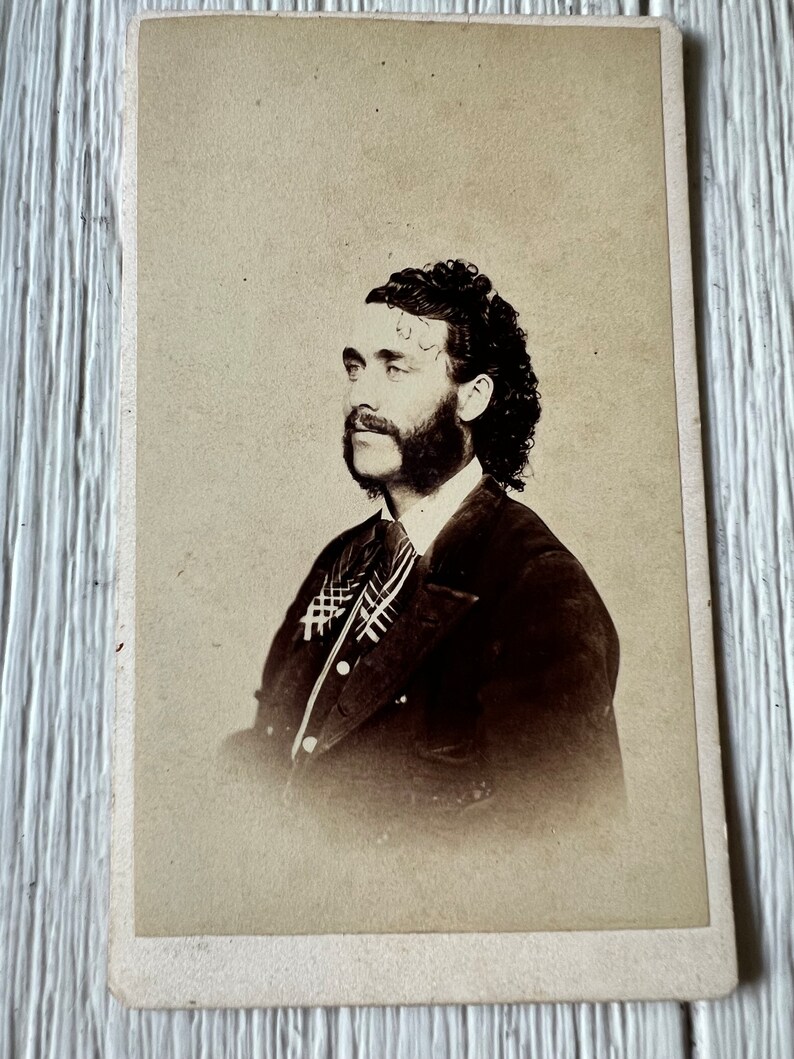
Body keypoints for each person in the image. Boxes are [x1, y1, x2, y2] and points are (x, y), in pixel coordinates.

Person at [231, 260, 622, 821]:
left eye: (395, 369)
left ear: (473, 397)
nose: (360, 397)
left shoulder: (539, 587)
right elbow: (273, 758)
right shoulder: (341, 559)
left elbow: (558, 845)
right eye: (355, 368)